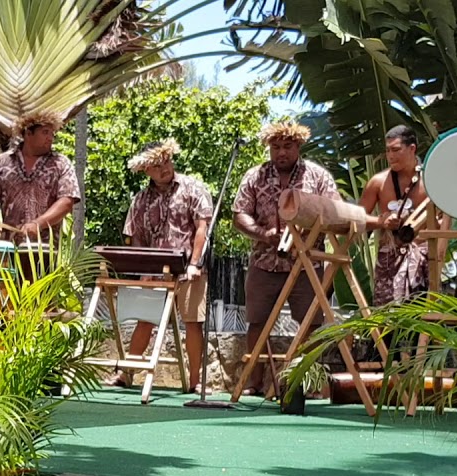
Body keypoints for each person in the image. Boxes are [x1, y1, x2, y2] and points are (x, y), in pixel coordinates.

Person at [232, 120, 339, 397]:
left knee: (311, 323)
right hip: (264, 262)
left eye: (287, 146)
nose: (281, 152)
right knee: (257, 322)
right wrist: (262, 233)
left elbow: (335, 210)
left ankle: (303, 382)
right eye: (276, 147)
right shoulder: (254, 176)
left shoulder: (317, 176)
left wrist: (309, 228)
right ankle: (254, 382)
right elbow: (240, 214)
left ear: (298, 146)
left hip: (306, 263)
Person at [107, 140, 214, 394]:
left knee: (193, 322)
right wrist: (144, 269)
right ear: (146, 170)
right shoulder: (140, 199)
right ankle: (127, 372)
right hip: (155, 270)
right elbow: (136, 237)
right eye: (156, 165)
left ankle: (196, 381)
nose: (163, 168)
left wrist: (194, 263)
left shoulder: (193, 188)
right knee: (145, 320)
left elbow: (202, 228)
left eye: (166, 161)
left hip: (189, 268)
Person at [0, 110, 81, 244]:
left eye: (52, 134)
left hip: (45, 248)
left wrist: (38, 223)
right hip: (9, 247)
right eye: (45, 132)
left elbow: (67, 201)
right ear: (28, 133)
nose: (50, 138)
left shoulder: (60, 163)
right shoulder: (2, 161)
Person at [359, 125, 431, 306]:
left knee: (424, 314)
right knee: (386, 315)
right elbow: (357, 218)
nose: (390, 155)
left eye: (396, 150)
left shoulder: (431, 181)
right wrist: (381, 222)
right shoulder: (378, 182)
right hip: (389, 259)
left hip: (425, 258)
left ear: (412, 148)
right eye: (387, 150)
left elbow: (444, 219)